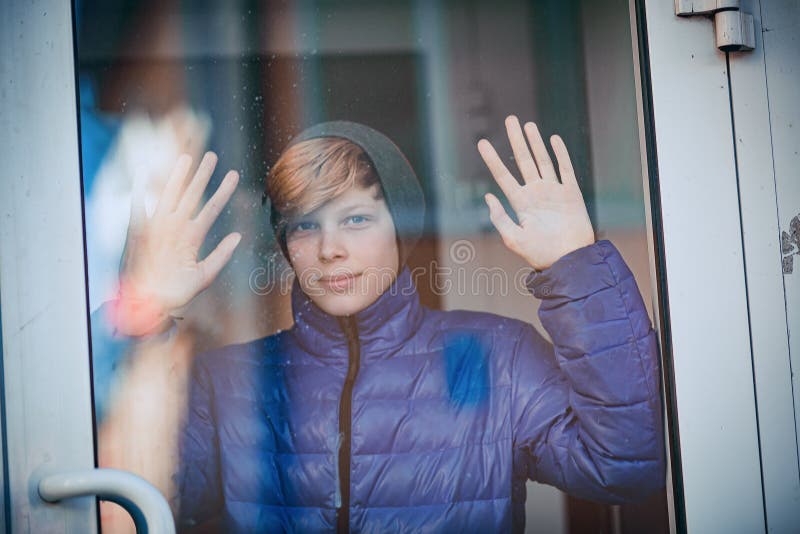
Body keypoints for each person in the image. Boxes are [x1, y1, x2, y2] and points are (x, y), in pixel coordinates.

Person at [96, 116, 665, 532]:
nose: (330, 250)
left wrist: (576, 265)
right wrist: (146, 316)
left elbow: (621, 470)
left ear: (400, 225)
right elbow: (129, 510)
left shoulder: (497, 355)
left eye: (358, 219)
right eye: (304, 227)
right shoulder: (229, 381)